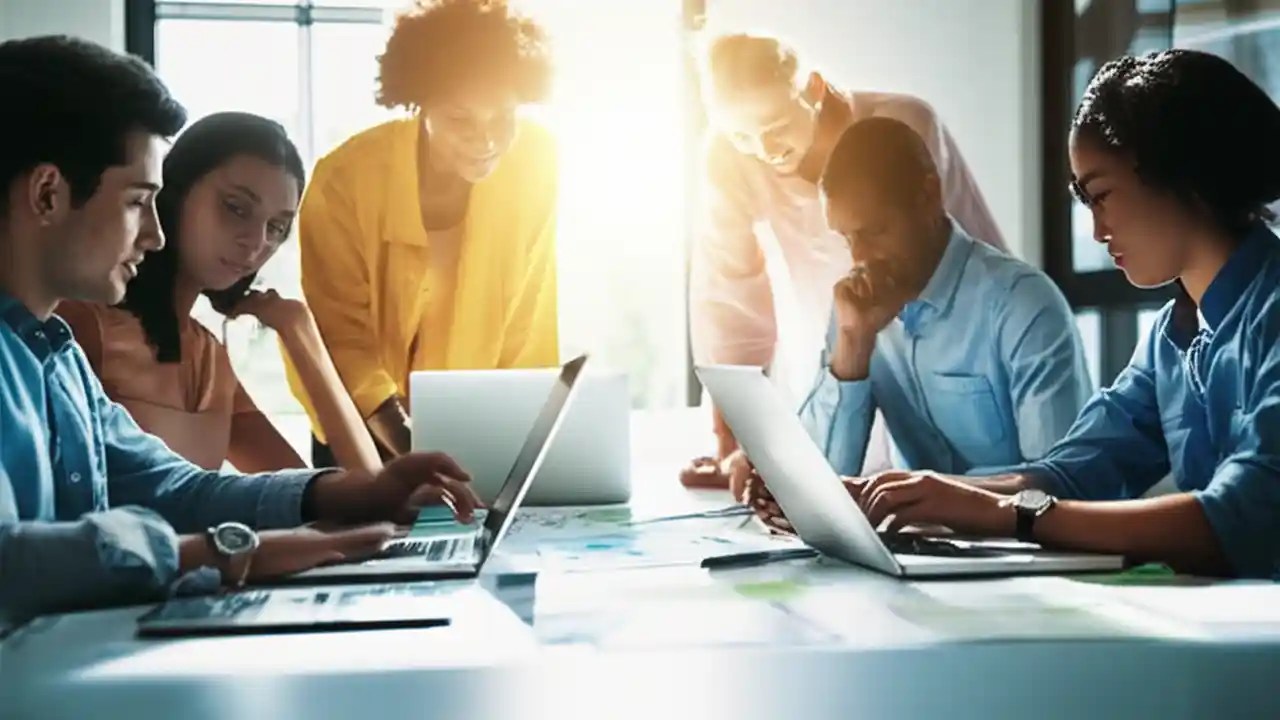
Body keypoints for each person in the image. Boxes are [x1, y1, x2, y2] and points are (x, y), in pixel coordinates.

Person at [0, 35, 480, 629]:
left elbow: (177, 489)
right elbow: (11, 559)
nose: (153, 235)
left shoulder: (57, 357)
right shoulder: (74, 338)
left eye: (277, 226)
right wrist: (230, 553)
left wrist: (351, 493)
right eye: (136, 202)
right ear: (48, 194)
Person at [756, 50, 1280, 579]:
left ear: (1183, 174)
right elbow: (1072, 472)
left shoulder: (1270, 313)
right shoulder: (1171, 338)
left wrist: (1009, 514)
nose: (1098, 231)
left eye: (1102, 195)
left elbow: (1244, 517)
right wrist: (900, 495)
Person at [683, 32, 1006, 490]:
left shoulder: (903, 123)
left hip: (940, 351)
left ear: (813, 87)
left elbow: (969, 258)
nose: (765, 149)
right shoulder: (729, 156)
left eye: (776, 125)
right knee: (829, 487)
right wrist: (731, 442)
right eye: (742, 135)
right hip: (825, 353)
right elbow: (729, 296)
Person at [734, 117, 1088, 522]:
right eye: (847, 238)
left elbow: (1060, 483)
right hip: (919, 546)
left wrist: (918, 496)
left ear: (929, 196)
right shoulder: (858, 306)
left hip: (1022, 545)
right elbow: (822, 482)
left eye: (875, 231)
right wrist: (852, 346)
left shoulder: (1023, 305)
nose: (861, 257)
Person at [288, 0, 560, 466]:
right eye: (460, 119)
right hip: (360, 426)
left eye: (502, 117)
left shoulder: (534, 161)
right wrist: (414, 451)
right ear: (420, 106)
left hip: (474, 429)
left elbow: (528, 325)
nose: (486, 139)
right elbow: (341, 341)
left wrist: (526, 444)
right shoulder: (344, 180)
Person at [59, 112, 382, 474]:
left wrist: (300, 331)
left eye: (276, 226)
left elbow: (362, 487)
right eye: (236, 208)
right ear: (176, 191)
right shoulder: (81, 327)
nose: (256, 242)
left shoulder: (210, 360)